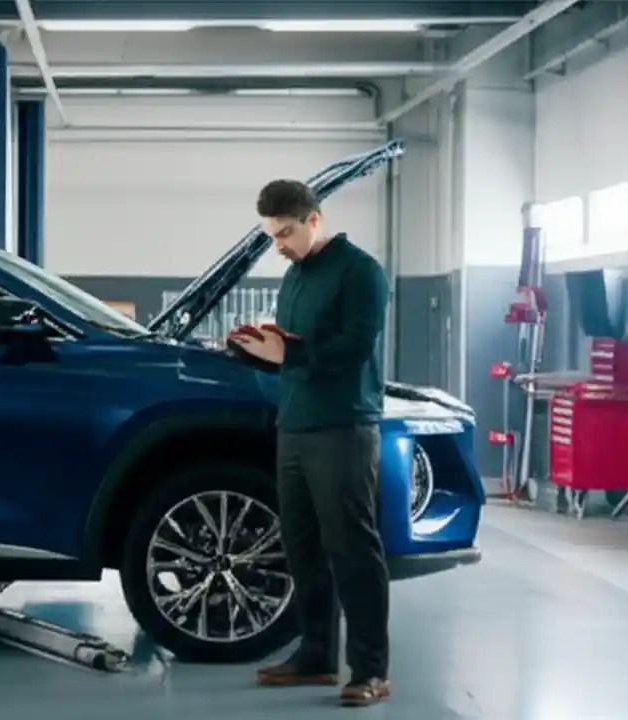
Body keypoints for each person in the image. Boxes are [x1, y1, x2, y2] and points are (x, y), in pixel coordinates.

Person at [227, 179, 391, 708]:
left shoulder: (361, 272)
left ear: (314, 219)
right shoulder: (295, 276)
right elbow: (292, 349)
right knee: (302, 550)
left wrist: (288, 357)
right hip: (295, 425)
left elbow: (352, 347)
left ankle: (370, 670)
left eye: (286, 233)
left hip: (343, 425)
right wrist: (254, 350)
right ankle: (317, 656)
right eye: (272, 236)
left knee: (352, 549)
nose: (280, 245)